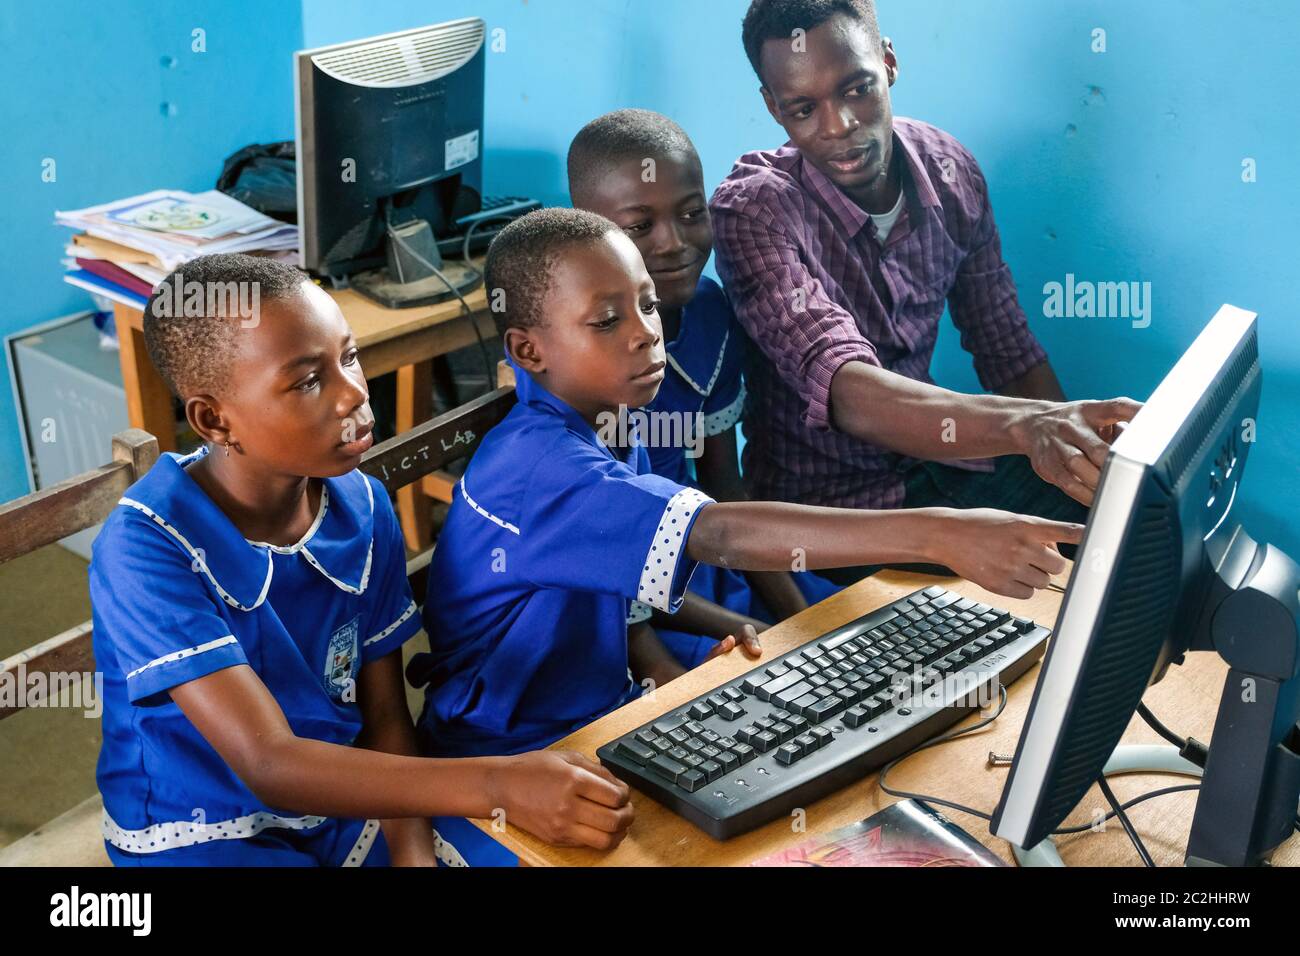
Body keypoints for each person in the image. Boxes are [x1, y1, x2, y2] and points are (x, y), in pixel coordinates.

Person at [412, 208, 1085, 762]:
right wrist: (942, 532)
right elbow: (719, 532)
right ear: (530, 351)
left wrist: (731, 631)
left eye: (646, 305)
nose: (647, 334)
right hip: (512, 757)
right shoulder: (542, 469)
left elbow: (633, 596)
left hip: (599, 716)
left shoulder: (612, 425)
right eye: (607, 320)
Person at [89, 253, 633, 865]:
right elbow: (268, 762)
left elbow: (384, 713)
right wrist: (498, 784)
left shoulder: (361, 503)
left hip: (343, 804)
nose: (354, 394)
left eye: (348, 357)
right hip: (202, 833)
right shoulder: (146, 546)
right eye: (307, 381)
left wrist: (413, 852)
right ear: (214, 420)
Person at [711, 0, 1140, 581]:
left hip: (954, 468)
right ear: (773, 107)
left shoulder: (950, 170)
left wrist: (1073, 451)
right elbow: (848, 392)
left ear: (888, 63)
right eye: (804, 108)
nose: (838, 125)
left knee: (1131, 536)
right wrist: (1029, 425)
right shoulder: (753, 210)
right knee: (1018, 620)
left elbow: (1007, 351)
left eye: (857, 88)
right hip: (833, 521)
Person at [567, 108, 842, 669]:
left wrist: (795, 621)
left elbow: (724, 485)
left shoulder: (711, 312)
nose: (673, 243)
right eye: (639, 227)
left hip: (711, 557)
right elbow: (615, 561)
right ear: (585, 226)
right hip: (623, 594)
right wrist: (766, 635)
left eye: (692, 213)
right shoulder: (575, 358)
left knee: (852, 633)